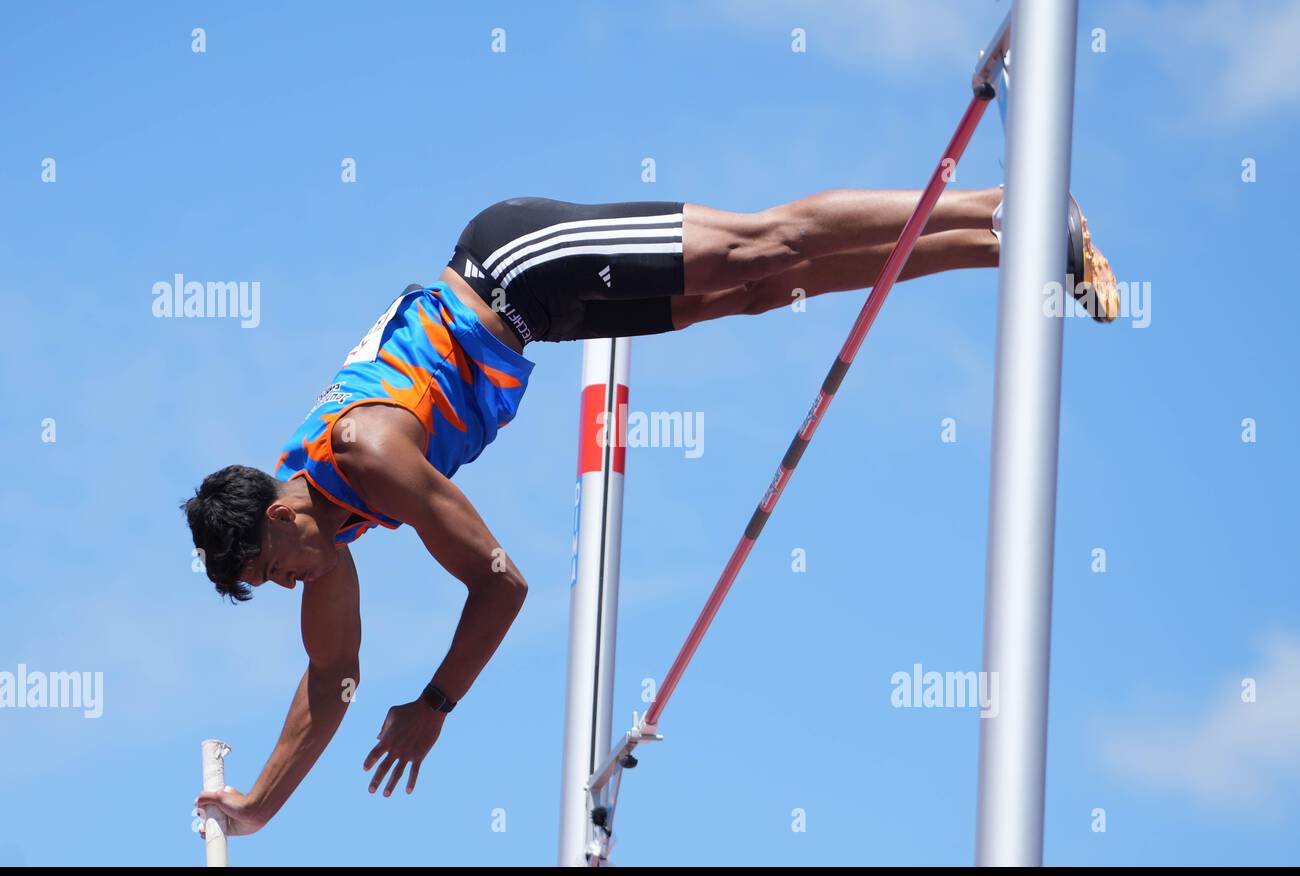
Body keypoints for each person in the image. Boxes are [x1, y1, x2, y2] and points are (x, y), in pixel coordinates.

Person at [188, 190, 1116, 837]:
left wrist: (436, 705)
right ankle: (1009, 243)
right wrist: (260, 806)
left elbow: (502, 586)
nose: (287, 585)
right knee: (758, 294)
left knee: (763, 246)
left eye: (272, 568)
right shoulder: (325, 534)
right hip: (538, 319)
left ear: (279, 512)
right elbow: (330, 677)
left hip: (510, 266)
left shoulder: (370, 459)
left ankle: (1001, 198)